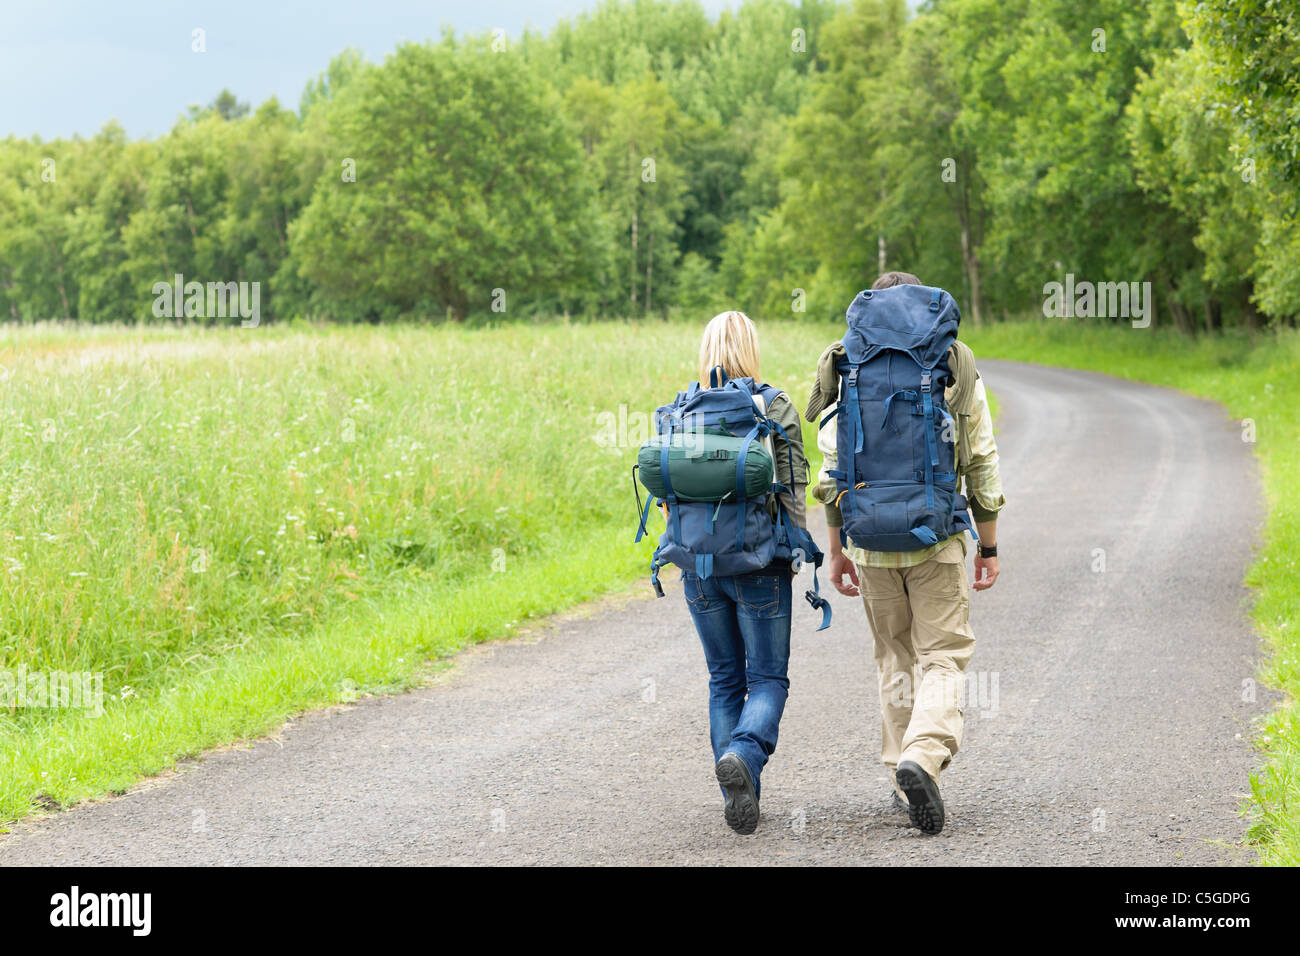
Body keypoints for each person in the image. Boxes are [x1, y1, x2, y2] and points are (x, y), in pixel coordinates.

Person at [806, 271, 1005, 835]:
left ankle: (900, 774)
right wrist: (988, 542)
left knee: (894, 656)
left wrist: (837, 545)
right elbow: (980, 457)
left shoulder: (846, 363)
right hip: (936, 537)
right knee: (943, 655)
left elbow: (831, 467)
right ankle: (924, 753)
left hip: (868, 541)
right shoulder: (952, 358)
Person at [678, 310, 810, 835]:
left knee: (724, 678)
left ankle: (735, 782)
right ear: (752, 348)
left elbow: (670, 501)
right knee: (768, 678)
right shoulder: (773, 405)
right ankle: (745, 759)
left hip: (699, 567)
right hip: (761, 562)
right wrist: (797, 553)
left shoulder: (683, 408)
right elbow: (794, 491)